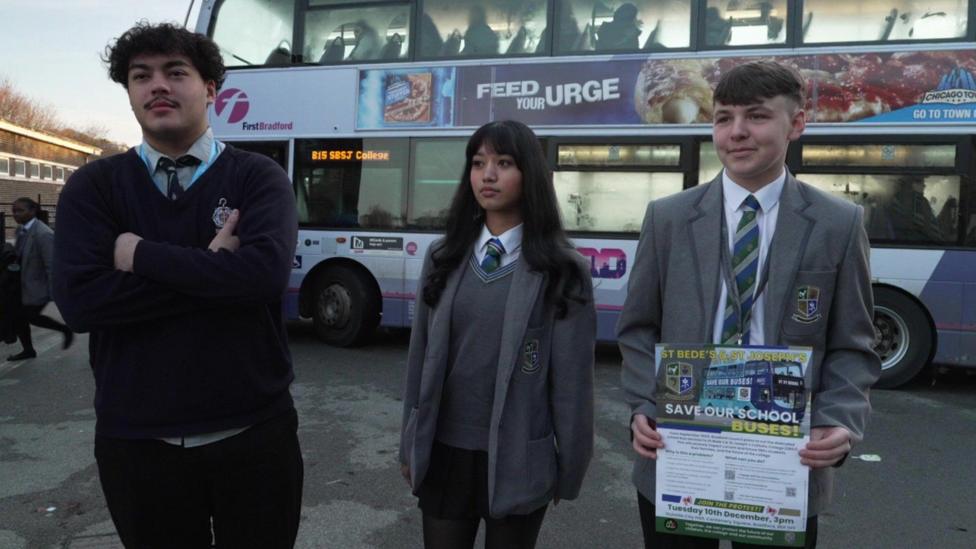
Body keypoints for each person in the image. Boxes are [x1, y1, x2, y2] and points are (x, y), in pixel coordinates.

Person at [52, 22, 301, 548]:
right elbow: (79, 303)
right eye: (141, 76)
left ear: (212, 88)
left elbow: (262, 278)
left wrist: (139, 254)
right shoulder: (93, 187)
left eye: (175, 72)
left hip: (254, 433)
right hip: (137, 443)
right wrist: (212, 267)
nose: (156, 86)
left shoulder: (259, 178)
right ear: (129, 92)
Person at [617, 61, 881, 548]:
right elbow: (637, 329)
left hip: (781, 459)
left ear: (796, 124)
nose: (736, 132)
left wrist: (840, 418)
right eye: (723, 118)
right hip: (681, 450)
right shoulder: (669, 218)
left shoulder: (837, 224)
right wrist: (641, 405)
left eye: (757, 116)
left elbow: (854, 344)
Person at [399, 120, 596, 549]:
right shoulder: (443, 255)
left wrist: (570, 466)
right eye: (478, 163)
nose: (488, 175)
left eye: (504, 163)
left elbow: (573, 384)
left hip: (519, 457)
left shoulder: (562, 269)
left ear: (530, 175)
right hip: (446, 452)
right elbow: (419, 357)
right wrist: (410, 441)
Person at [7, 198, 73, 360]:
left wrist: (54, 292)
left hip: (38, 286)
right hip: (23, 284)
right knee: (20, 317)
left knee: (30, 316)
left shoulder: (43, 234)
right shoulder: (20, 230)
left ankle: (64, 329)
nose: (16, 214)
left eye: (20, 210)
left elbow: (52, 265)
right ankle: (28, 350)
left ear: (32, 211)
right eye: (14, 211)